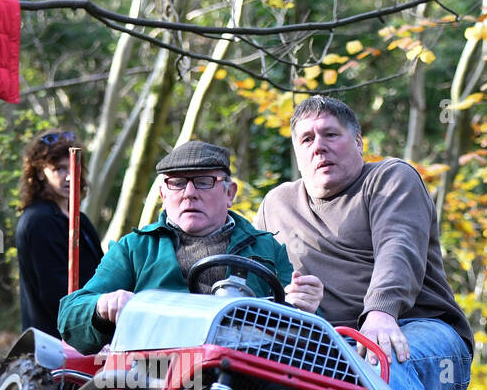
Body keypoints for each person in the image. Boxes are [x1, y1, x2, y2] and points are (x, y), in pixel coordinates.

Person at [254, 96, 474, 390]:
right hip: (327, 344)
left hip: (417, 331)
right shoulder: (277, 204)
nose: (319, 147)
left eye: (330, 135)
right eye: (307, 139)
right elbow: (254, 279)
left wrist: (382, 311)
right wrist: (289, 301)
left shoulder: (389, 179)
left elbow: (399, 248)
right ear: (298, 153)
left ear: (358, 141)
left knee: (378, 360)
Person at [57, 140, 324, 354]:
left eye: (204, 181)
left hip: (245, 376)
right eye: (177, 183)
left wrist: (306, 306)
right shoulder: (135, 248)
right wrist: (103, 305)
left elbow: (313, 332)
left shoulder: (267, 248)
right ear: (163, 195)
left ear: (230, 193)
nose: (189, 193)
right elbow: (70, 314)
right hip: (155, 374)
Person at [15, 130, 104, 337]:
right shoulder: (39, 220)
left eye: (72, 167)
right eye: (59, 169)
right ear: (39, 173)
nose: (69, 176)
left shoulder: (78, 220)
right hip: (55, 345)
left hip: (84, 337)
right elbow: (55, 295)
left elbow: (101, 274)